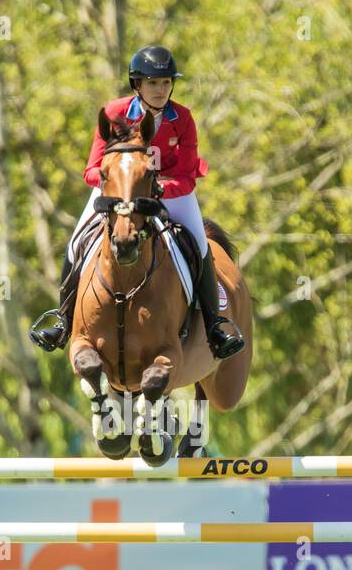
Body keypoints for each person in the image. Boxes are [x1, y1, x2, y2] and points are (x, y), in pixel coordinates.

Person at [29, 44, 245, 360]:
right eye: (153, 83)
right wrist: (121, 186)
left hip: (169, 195)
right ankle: (63, 320)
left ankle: (215, 326)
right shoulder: (114, 113)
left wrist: (154, 191)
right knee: (77, 242)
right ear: (137, 85)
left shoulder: (182, 118)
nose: (161, 90)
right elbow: (91, 169)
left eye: (166, 83)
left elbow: (186, 175)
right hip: (118, 191)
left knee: (199, 245)